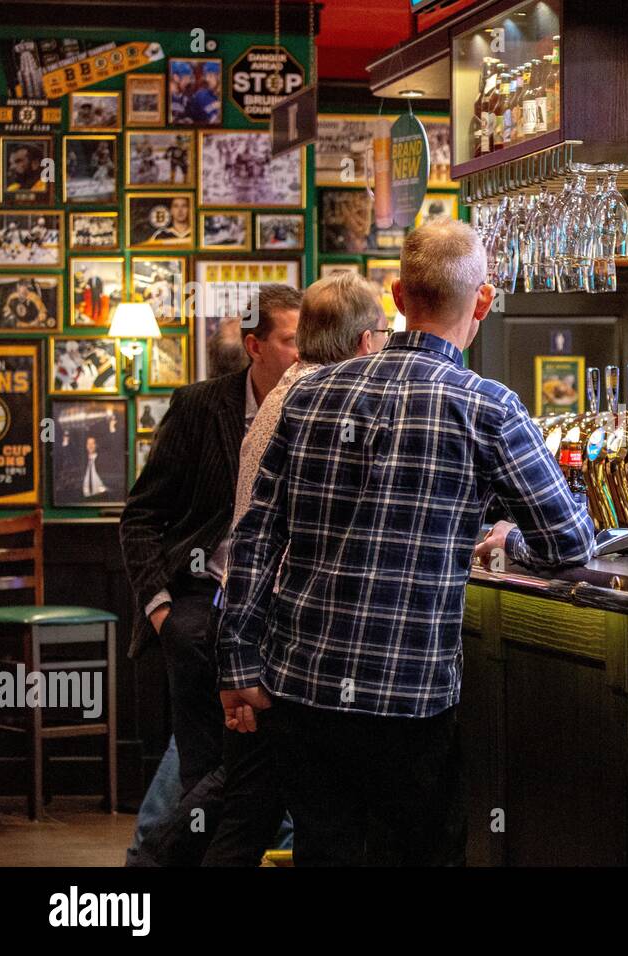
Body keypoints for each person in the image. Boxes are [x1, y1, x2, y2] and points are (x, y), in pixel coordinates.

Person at [217, 219, 595, 866]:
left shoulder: (308, 395)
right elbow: (571, 546)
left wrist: (237, 666)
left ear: (396, 292)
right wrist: (504, 538)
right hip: (409, 695)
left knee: (326, 853)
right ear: (482, 301)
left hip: (302, 689)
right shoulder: (489, 408)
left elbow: (255, 535)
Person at [201, 272, 389, 866]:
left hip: (252, 625)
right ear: (364, 342)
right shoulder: (321, 403)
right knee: (253, 812)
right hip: (279, 633)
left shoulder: (289, 389)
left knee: (252, 805)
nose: (386, 345)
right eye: (383, 332)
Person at [119, 284, 300, 862]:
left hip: (274, 616)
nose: (305, 353)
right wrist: (162, 610)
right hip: (198, 608)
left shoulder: (316, 407)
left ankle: (149, 857)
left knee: (243, 766)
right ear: (255, 345)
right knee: (213, 763)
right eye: (292, 340)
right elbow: (141, 516)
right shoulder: (201, 406)